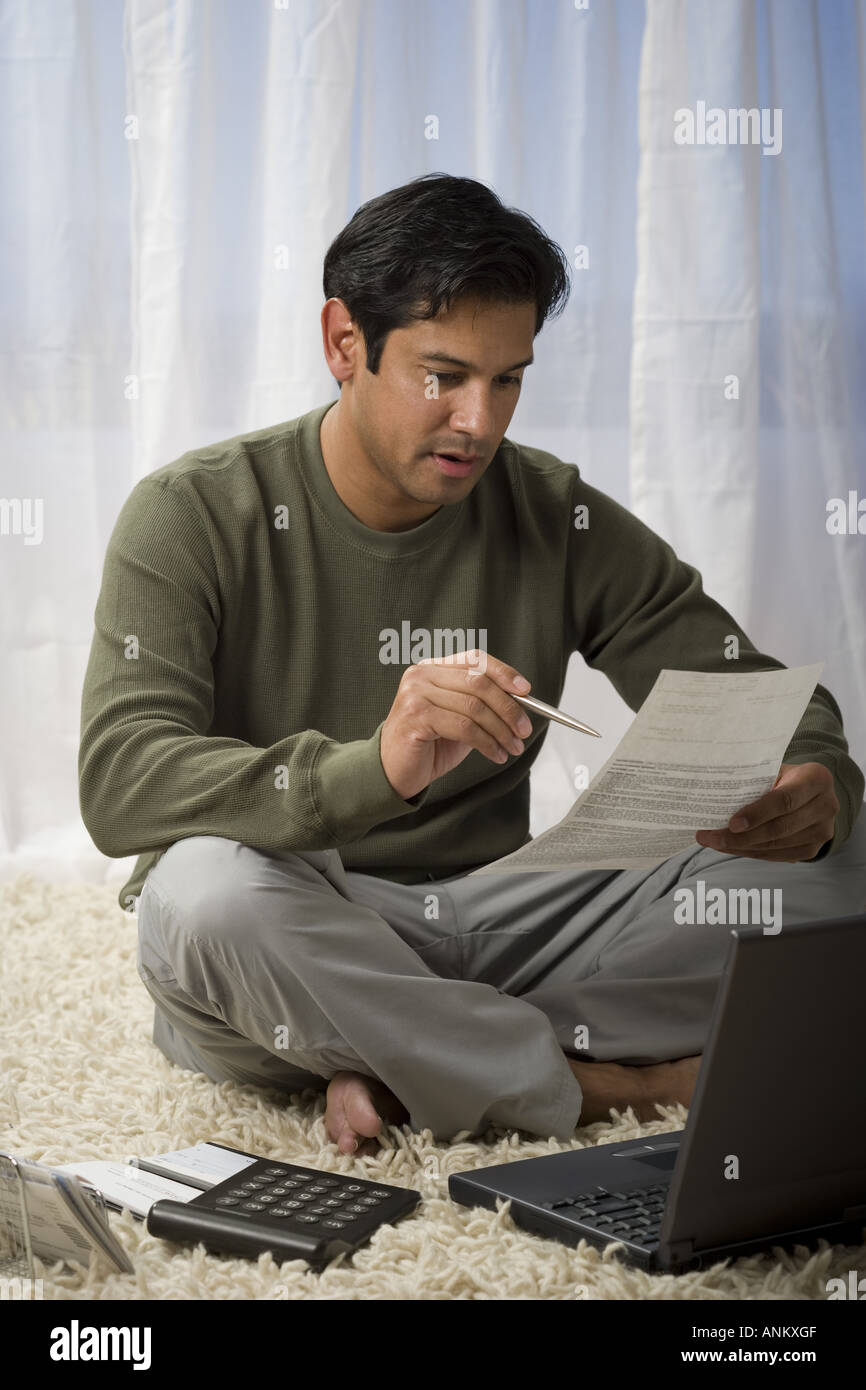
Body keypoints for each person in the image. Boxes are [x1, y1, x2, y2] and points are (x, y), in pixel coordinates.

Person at [79, 173, 866, 1158]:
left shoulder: (551, 511)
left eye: (508, 379)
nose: (479, 423)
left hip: (494, 920)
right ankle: (597, 1082)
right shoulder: (191, 511)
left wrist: (814, 784)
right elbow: (120, 782)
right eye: (441, 376)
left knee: (842, 866)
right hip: (293, 917)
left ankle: (406, 1053)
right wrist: (378, 765)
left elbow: (746, 689)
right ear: (342, 343)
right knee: (200, 898)